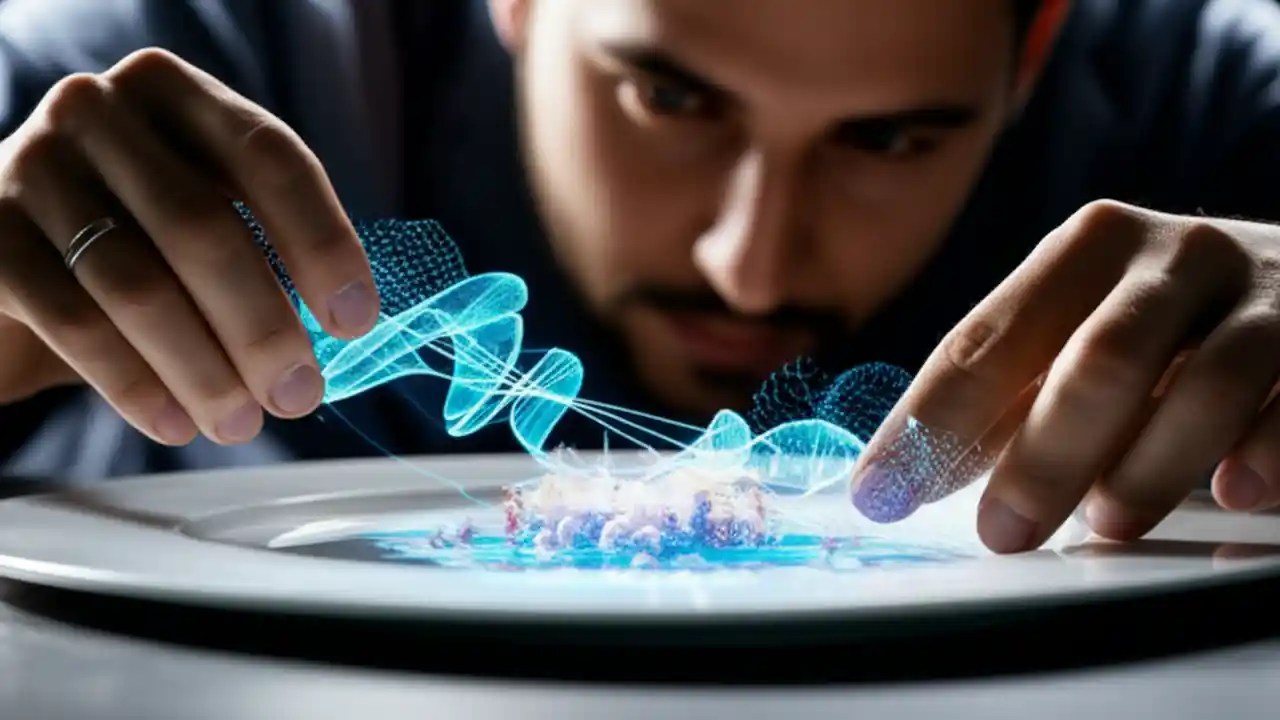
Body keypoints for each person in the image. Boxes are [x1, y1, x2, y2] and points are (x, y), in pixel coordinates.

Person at [0, 0, 1277, 554]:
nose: (749, 262)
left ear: (1033, 47)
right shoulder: (214, 57)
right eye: (667, 96)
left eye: (889, 138)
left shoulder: (1205, 100)